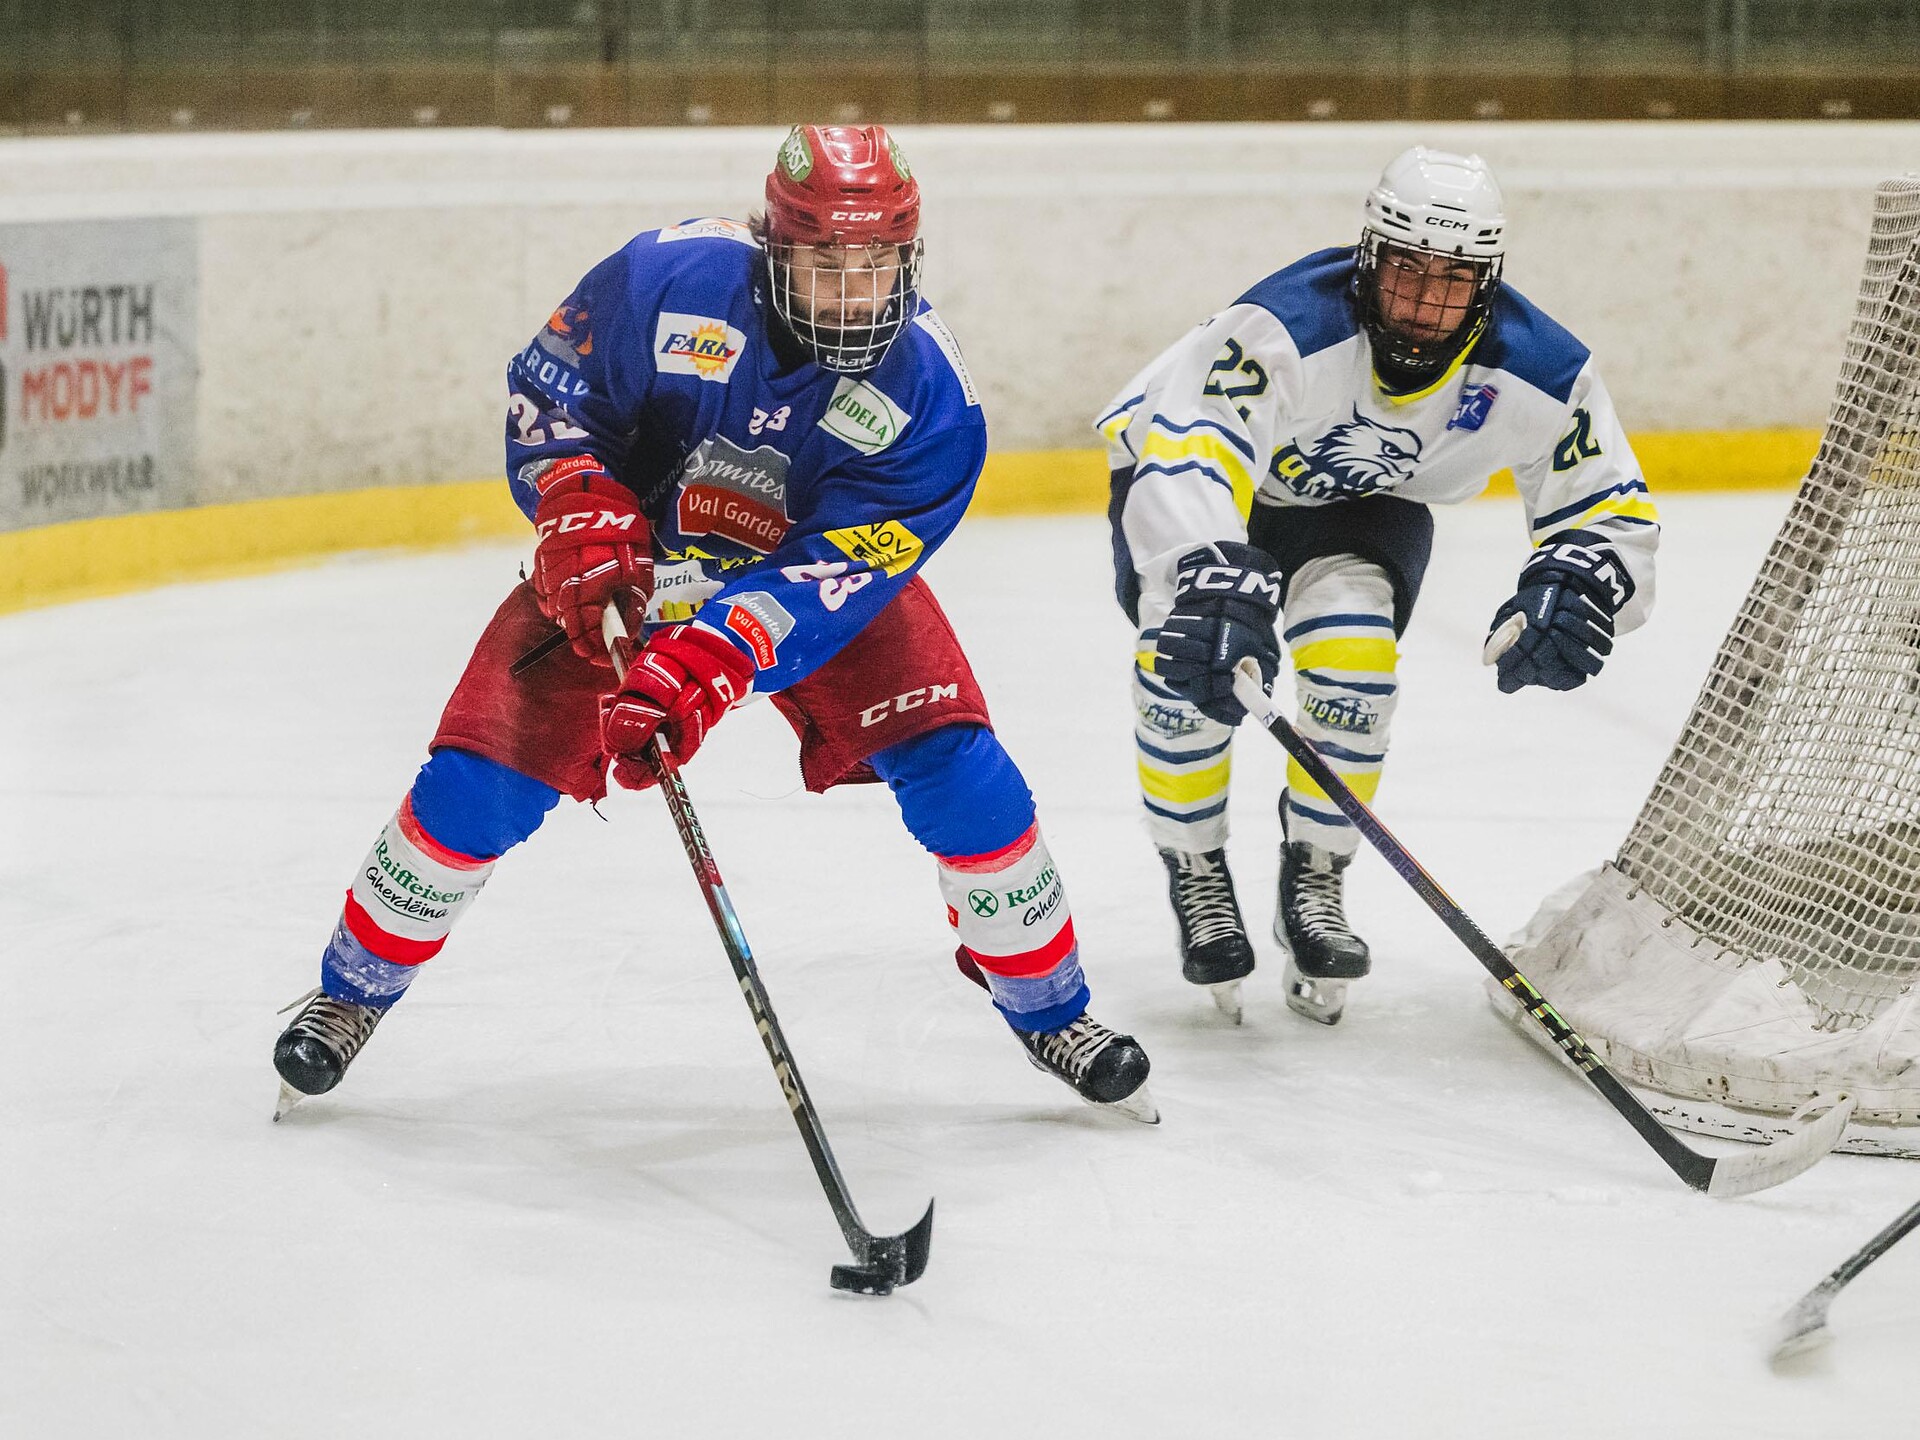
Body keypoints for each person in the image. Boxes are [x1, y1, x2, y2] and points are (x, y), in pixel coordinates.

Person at [274, 124, 1154, 1122]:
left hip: (809, 587)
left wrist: (718, 651)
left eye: (877, 266)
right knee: (479, 780)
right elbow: (553, 398)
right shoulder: (664, 280)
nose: (854, 295)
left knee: (962, 769)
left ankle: (1051, 1010)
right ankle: (351, 993)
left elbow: (838, 574)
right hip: (631, 568)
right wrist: (573, 494)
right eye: (826, 267)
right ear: (773, 251)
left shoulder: (933, 406)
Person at [1098, 145, 1659, 1025]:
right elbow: (1192, 448)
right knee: (1188, 676)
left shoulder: (1541, 366)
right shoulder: (1284, 325)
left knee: (1356, 667)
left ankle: (1316, 873)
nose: (1427, 302)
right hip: (1204, 492)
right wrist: (1205, 567)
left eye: (1455, 278)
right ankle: (1195, 865)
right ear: (1370, 256)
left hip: (1360, 505)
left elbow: (1607, 502)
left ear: (1489, 280)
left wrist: (1583, 579)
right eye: (1409, 270)